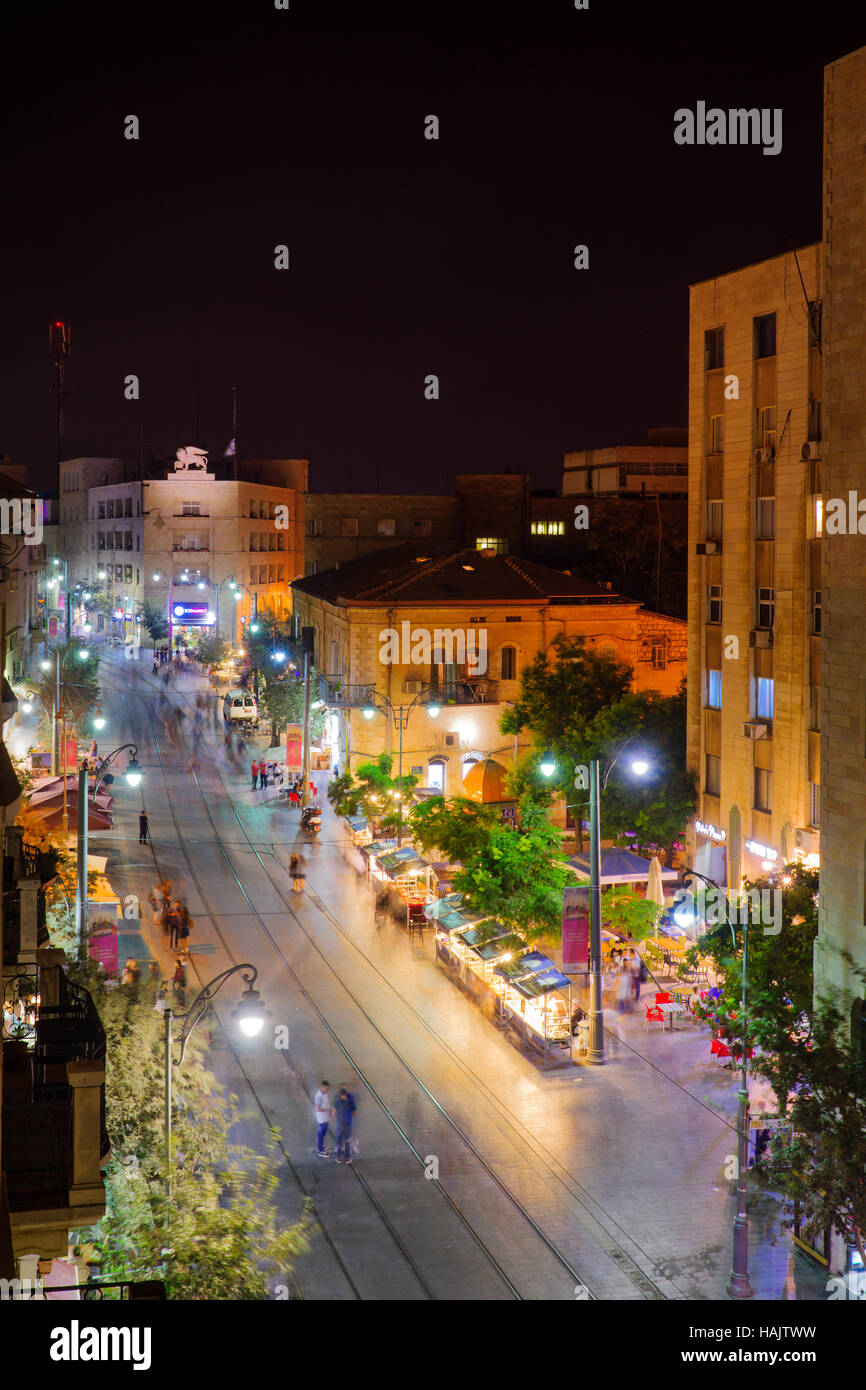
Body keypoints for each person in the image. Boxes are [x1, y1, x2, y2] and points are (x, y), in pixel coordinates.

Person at [333, 1086, 357, 1164]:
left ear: (340, 1094)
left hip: (340, 1124)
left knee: (339, 1141)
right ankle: (347, 1159)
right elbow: (354, 1113)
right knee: (347, 1141)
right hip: (348, 1125)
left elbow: (334, 1113)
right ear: (346, 1094)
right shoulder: (351, 1102)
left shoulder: (336, 1102)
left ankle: (338, 1158)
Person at [314, 1081, 334, 1157]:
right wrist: (327, 1110)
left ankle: (321, 1146)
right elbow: (317, 1108)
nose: (327, 1090)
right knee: (321, 1133)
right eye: (326, 1088)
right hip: (322, 1118)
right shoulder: (319, 1096)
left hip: (325, 1117)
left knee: (323, 1133)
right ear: (323, 1087)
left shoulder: (324, 1093)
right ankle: (320, 1150)